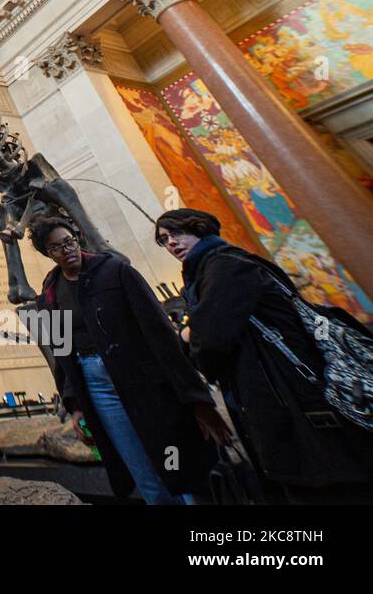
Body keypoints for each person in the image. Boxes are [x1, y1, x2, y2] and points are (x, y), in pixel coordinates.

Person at [156, 208, 373, 503]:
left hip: (293, 401)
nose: (171, 243)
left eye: (176, 232)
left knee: (328, 489)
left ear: (199, 228)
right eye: (164, 239)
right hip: (291, 396)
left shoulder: (223, 266)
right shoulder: (225, 264)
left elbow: (209, 343)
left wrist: (185, 335)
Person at [30, 216, 230, 504]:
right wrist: (74, 405)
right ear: (47, 253)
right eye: (57, 248)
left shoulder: (114, 271)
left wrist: (197, 398)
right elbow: (62, 355)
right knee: (137, 461)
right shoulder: (50, 295)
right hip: (96, 385)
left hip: (142, 377)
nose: (67, 250)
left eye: (69, 241)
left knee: (173, 454)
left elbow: (161, 334)